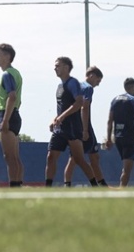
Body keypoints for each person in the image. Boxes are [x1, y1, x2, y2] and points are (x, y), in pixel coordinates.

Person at [44, 57, 99, 187]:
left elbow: (79, 102)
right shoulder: (59, 86)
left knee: (79, 160)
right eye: (55, 65)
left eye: (58, 65)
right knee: (51, 157)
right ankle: (47, 188)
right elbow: (62, 107)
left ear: (66, 67)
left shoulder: (73, 83)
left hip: (72, 128)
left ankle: (95, 185)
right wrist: (55, 119)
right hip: (60, 129)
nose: (55, 68)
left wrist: (62, 117)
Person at [63, 66, 108, 187]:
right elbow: (85, 107)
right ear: (92, 76)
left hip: (72, 125)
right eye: (98, 81)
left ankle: (67, 184)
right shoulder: (87, 88)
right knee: (85, 156)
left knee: (81, 156)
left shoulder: (76, 85)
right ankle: (100, 184)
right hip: (83, 125)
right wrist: (85, 129)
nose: (97, 85)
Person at [106, 77, 134, 187]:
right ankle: (122, 191)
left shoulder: (114, 100)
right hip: (129, 136)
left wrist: (108, 138)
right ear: (132, 87)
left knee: (125, 167)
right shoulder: (133, 99)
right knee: (127, 169)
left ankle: (121, 188)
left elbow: (110, 120)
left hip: (117, 137)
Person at [0, 43, 24, 187]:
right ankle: (18, 185)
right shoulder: (16, 73)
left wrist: (5, 120)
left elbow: (11, 96)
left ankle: (14, 187)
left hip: (7, 115)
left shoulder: (7, 74)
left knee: (9, 157)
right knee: (15, 158)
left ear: (7, 57)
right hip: (15, 114)